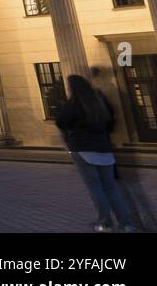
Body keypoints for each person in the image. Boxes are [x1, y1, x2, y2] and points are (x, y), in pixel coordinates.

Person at [55, 74, 135, 232]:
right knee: (111, 188)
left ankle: (105, 224)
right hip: (104, 149)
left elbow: (61, 121)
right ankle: (126, 224)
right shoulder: (98, 103)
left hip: (82, 149)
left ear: (72, 87)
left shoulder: (74, 104)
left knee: (95, 188)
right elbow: (110, 124)